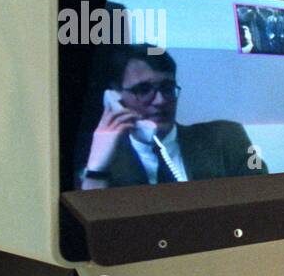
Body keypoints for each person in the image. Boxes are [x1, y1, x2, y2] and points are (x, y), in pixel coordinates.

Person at [80, 45, 268, 189]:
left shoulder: (227, 137)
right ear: (115, 96)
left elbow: (263, 200)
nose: (160, 101)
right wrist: (97, 170)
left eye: (167, 88)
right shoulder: (94, 157)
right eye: (143, 90)